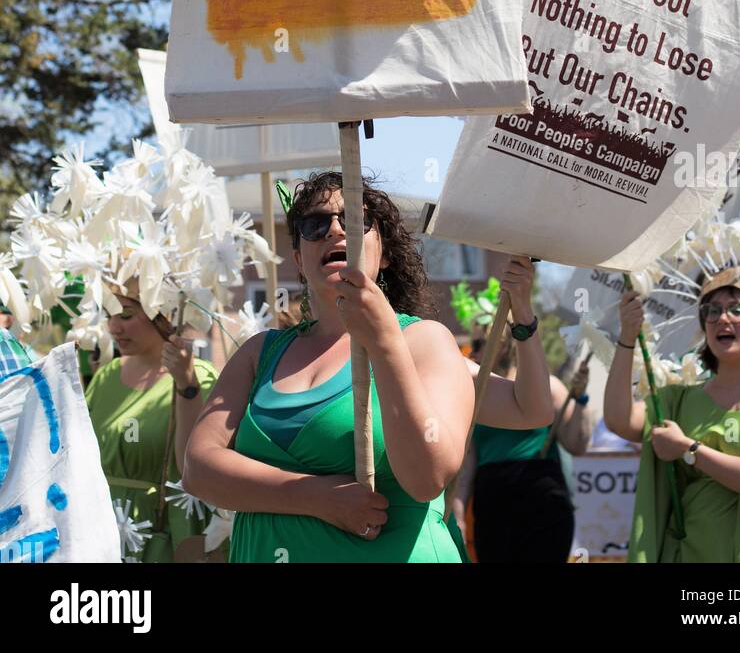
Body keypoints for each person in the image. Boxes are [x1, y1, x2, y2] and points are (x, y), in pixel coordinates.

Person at [184, 171, 483, 562]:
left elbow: (427, 478)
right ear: (299, 261)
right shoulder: (260, 352)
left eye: (355, 221)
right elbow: (198, 468)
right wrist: (314, 497)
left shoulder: (426, 341)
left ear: (386, 253)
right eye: (315, 224)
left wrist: (385, 344)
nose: (335, 230)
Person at [605, 266, 740, 562]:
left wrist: (688, 449)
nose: (723, 318)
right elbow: (618, 419)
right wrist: (627, 338)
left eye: (737, 309)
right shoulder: (679, 398)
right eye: (712, 310)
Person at [86, 288, 220, 562]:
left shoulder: (201, 377)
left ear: (162, 315)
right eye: (109, 315)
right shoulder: (107, 375)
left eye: (125, 315)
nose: (114, 326)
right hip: (101, 528)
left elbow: (194, 466)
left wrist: (186, 385)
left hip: (162, 532)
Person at [453, 325, 591, 563]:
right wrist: (458, 516)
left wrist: (579, 399)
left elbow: (577, 445)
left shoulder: (548, 386)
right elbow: (467, 468)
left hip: (541, 500)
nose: (471, 353)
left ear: (502, 345)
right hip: (493, 506)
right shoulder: (474, 395)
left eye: (477, 345)